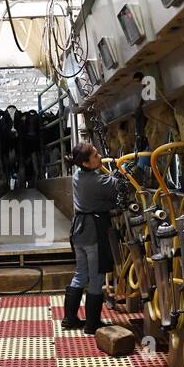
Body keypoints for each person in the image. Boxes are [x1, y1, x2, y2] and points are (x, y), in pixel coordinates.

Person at [62, 140, 127, 335]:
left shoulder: (77, 175)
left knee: (80, 274)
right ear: (86, 163)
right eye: (96, 156)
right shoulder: (98, 181)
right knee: (97, 277)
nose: (99, 157)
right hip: (93, 233)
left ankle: (70, 318)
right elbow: (121, 186)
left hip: (79, 232)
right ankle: (92, 324)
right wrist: (127, 168)